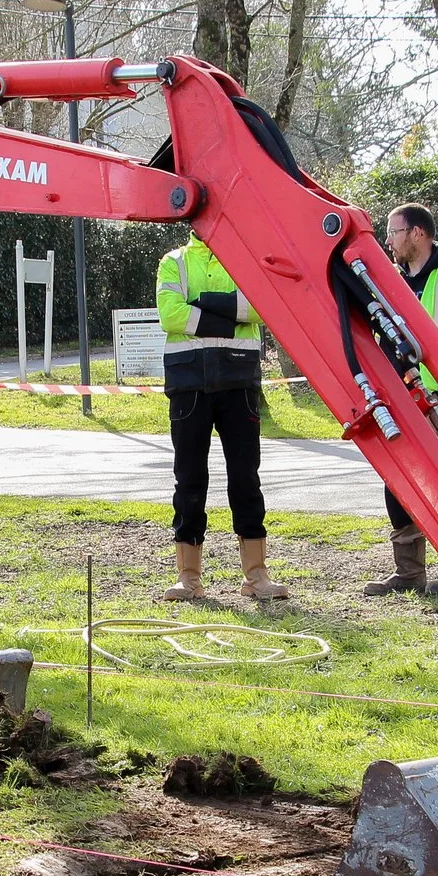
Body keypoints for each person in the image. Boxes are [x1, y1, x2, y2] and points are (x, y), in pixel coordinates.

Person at [154, 234, 288, 603]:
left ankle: (256, 577)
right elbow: (170, 315)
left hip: (239, 382)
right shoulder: (174, 261)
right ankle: (189, 579)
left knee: (245, 478)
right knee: (189, 479)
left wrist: (201, 305)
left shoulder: (246, 256)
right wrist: (230, 316)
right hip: (188, 384)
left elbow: (262, 307)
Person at [363, 204, 438, 599]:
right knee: (397, 482)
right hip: (400, 401)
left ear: (418, 233)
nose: (389, 241)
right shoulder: (392, 281)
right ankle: (409, 571)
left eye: (394, 232)